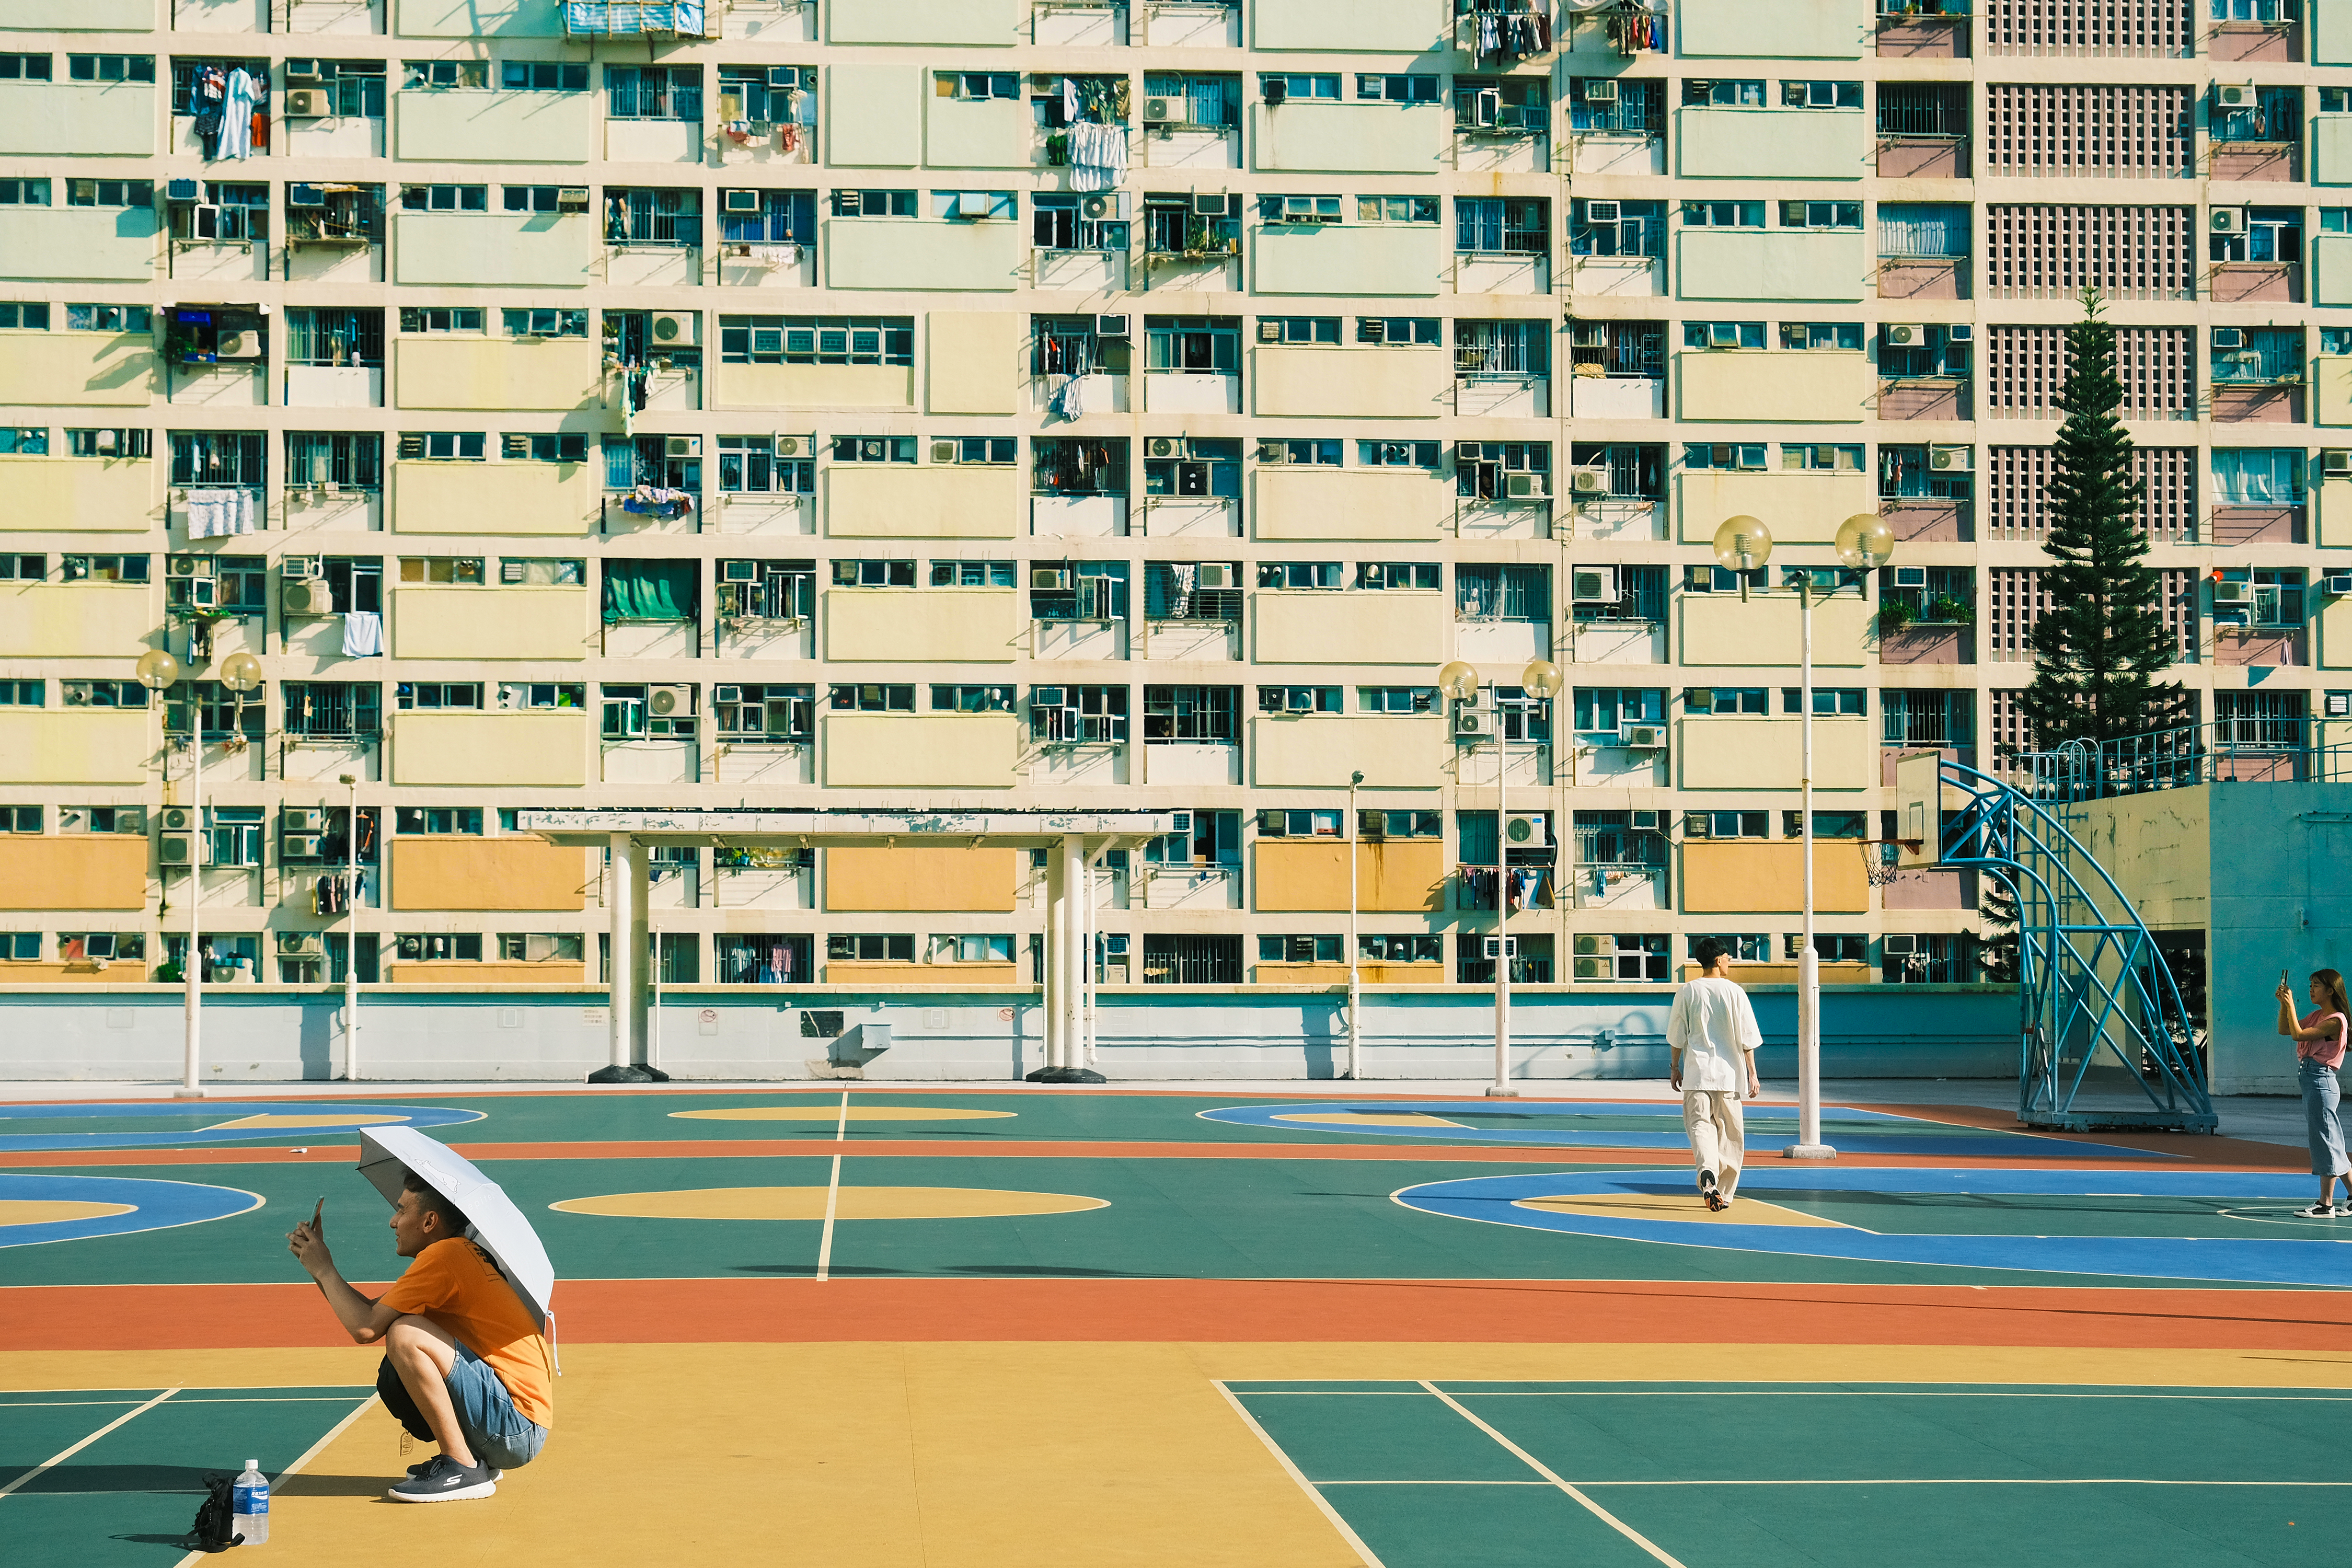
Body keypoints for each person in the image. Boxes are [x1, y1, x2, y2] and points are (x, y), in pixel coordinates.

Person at [286, 1175, 554, 1503]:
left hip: (516, 1428)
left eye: (401, 1211)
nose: (393, 1221)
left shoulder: (447, 1256)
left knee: (405, 1334)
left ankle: (463, 1467)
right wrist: (317, 1268)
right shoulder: (456, 1255)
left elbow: (365, 1328)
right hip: (514, 1426)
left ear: (429, 1221)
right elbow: (368, 1312)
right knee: (397, 1350)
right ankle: (473, 1460)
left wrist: (326, 1269)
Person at [1667, 937, 1763, 1211]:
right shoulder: (1736, 993)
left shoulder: (1687, 992)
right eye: (1728, 956)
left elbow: (1677, 1037)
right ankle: (1724, 1192)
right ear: (1719, 959)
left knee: (1700, 1127)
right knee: (1732, 1136)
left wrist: (1675, 1068)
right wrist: (1753, 1074)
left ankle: (1706, 1172)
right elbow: (1747, 1040)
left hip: (1697, 1075)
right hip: (1729, 1077)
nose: (1730, 961)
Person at [2276, 967, 2352, 1217]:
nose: (2311, 989)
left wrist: (2291, 1005)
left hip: (2321, 1080)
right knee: (2332, 1142)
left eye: (2316, 985)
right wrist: (2284, 1006)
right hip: (2313, 1080)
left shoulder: (2335, 1020)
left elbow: (2298, 1034)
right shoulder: (2319, 1015)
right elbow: (2285, 1030)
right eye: (2310, 985)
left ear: (2330, 991)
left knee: (2326, 1142)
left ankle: (2325, 1204)